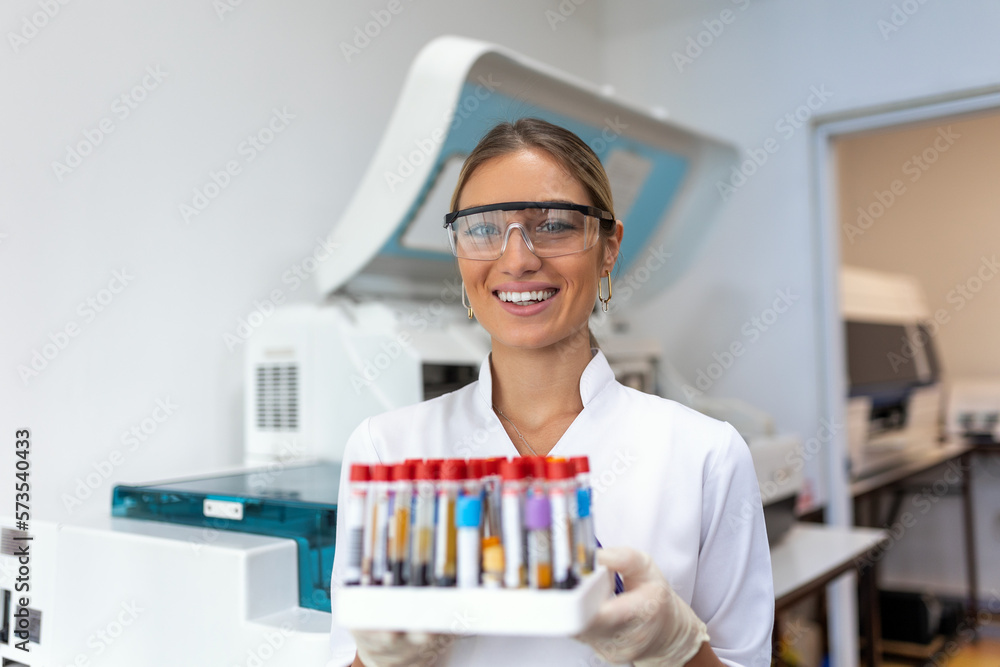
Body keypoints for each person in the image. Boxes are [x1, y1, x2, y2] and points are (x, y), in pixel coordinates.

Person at [328, 117, 773, 667]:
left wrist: (675, 650)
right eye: (484, 229)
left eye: (556, 225)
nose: (517, 259)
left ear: (608, 249)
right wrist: (380, 661)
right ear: (459, 253)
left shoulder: (707, 454)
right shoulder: (386, 450)